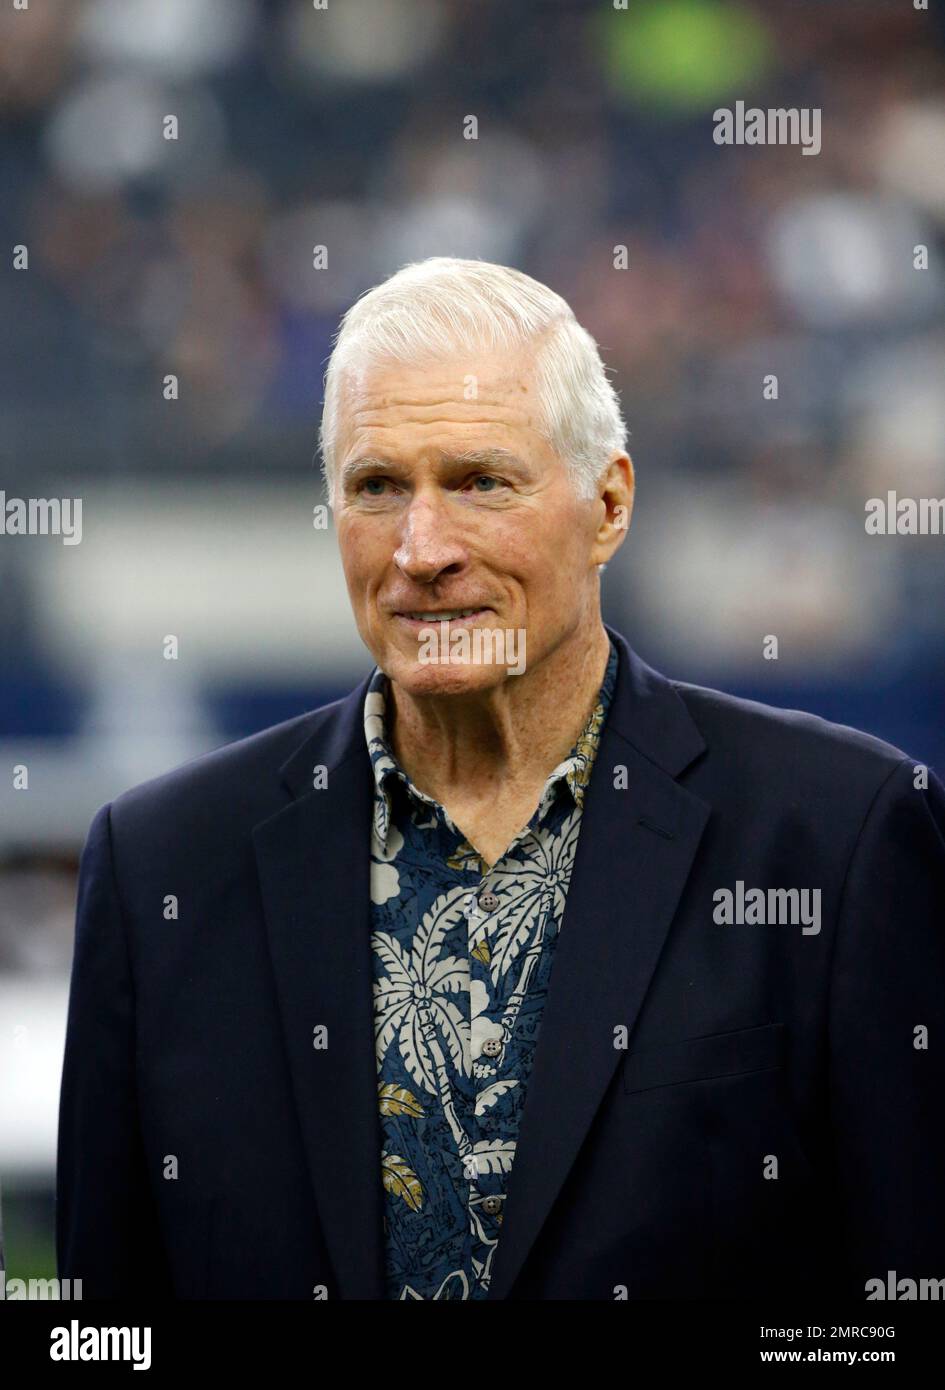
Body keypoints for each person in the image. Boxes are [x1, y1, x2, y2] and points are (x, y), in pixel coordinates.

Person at [57, 257, 945, 1300]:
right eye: (377, 487)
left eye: (481, 482)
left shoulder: (837, 835)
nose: (421, 549)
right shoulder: (161, 865)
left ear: (608, 504)